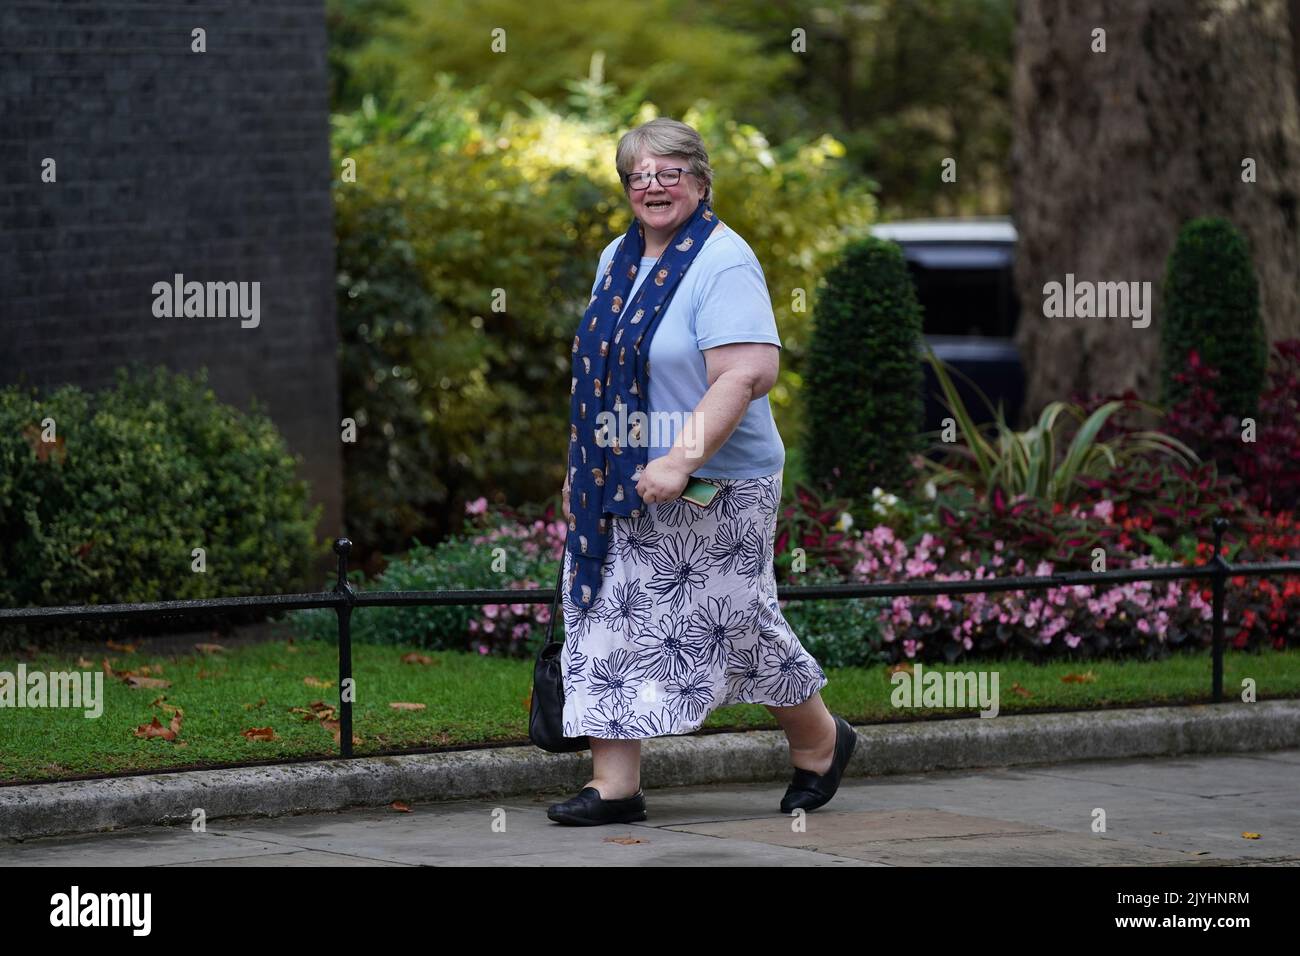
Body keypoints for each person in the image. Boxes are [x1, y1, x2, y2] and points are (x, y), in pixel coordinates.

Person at [548, 117, 856, 826]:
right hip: (620, 473)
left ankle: (821, 742)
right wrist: (582, 466)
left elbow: (747, 373)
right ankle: (614, 785)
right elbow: (594, 375)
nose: (653, 187)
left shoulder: (723, 261)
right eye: (639, 175)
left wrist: (680, 459)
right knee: (604, 614)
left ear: (700, 179)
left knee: (734, 622)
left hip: (720, 482)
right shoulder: (616, 260)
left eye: (669, 172)